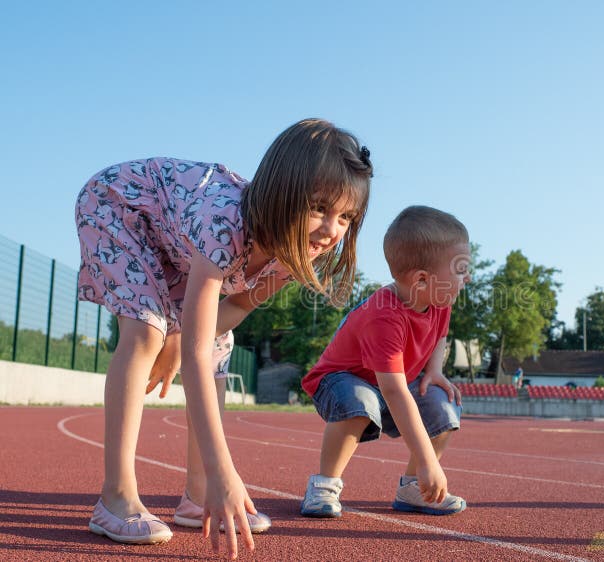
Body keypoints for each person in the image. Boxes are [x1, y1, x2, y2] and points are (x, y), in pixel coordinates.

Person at [75, 118, 373, 557]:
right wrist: (226, 472)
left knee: (216, 344)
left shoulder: (294, 254)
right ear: (280, 192)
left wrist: (185, 333)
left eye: (345, 217)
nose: (331, 230)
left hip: (175, 244)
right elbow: (189, 349)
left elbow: (231, 311)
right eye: (318, 208)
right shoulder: (225, 222)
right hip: (118, 206)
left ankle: (198, 496)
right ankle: (115, 497)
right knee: (145, 333)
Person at [299, 205, 470, 518]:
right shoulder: (385, 315)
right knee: (360, 400)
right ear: (421, 279)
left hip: (391, 382)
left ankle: (414, 489)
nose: (467, 277)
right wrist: (429, 461)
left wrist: (435, 371)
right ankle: (324, 485)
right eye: (460, 269)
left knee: (441, 400)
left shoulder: (438, 298)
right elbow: (394, 391)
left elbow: (440, 333)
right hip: (341, 379)